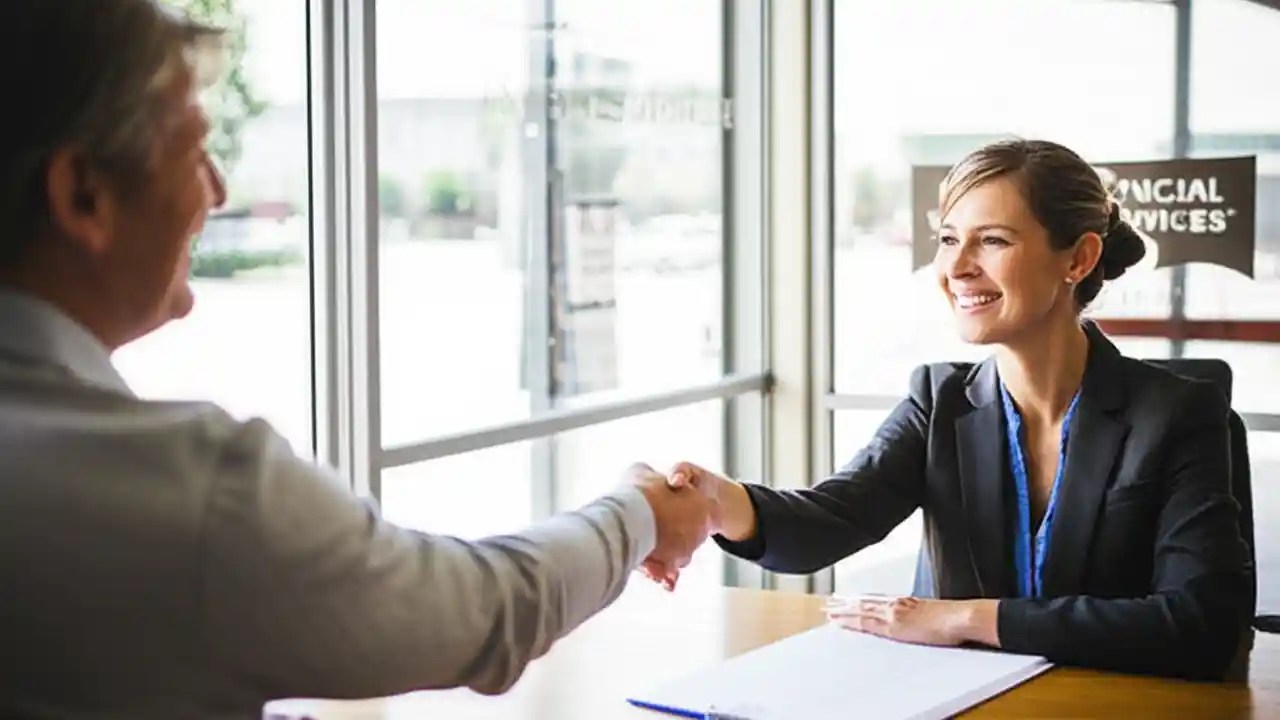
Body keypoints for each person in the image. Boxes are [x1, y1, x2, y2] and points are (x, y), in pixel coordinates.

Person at [0, 2, 717, 718]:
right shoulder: (187, 495)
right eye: (192, 152)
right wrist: (641, 516)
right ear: (82, 195)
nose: (216, 192)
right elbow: (493, 611)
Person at [657, 139, 1252, 680]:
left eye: (992, 240)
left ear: (1077, 260)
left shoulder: (1179, 412)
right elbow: (828, 521)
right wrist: (716, 502)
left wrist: (964, 619)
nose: (956, 267)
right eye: (948, 239)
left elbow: (1200, 624)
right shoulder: (940, 402)